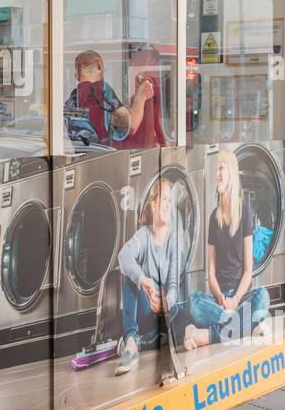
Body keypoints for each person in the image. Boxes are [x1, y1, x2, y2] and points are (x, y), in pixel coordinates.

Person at [184, 147, 270, 350]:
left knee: (262, 297)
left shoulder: (245, 211)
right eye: (216, 170)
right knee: (193, 302)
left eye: (221, 169)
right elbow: (211, 274)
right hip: (219, 300)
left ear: (231, 173)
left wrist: (236, 299)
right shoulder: (214, 218)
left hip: (241, 297)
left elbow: (249, 269)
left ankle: (208, 335)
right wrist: (222, 299)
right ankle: (246, 326)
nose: (217, 174)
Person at [115, 178, 187, 375]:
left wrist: (164, 302)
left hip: (164, 313)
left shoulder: (174, 240)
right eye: (164, 199)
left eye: (170, 201)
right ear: (153, 204)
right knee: (128, 272)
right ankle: (130, 344)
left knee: (182, 312)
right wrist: (143, 279)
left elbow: (173, 287)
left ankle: (141, 341)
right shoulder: (143, 235)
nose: (168, 205)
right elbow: (123, 256)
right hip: (144, 309)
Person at [64, 49, 154, 149]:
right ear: (98, 66)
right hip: (103, 155)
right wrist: (141, 96)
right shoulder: (102, 89)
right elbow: (131, 126)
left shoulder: (74, 95)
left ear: (77, 76)